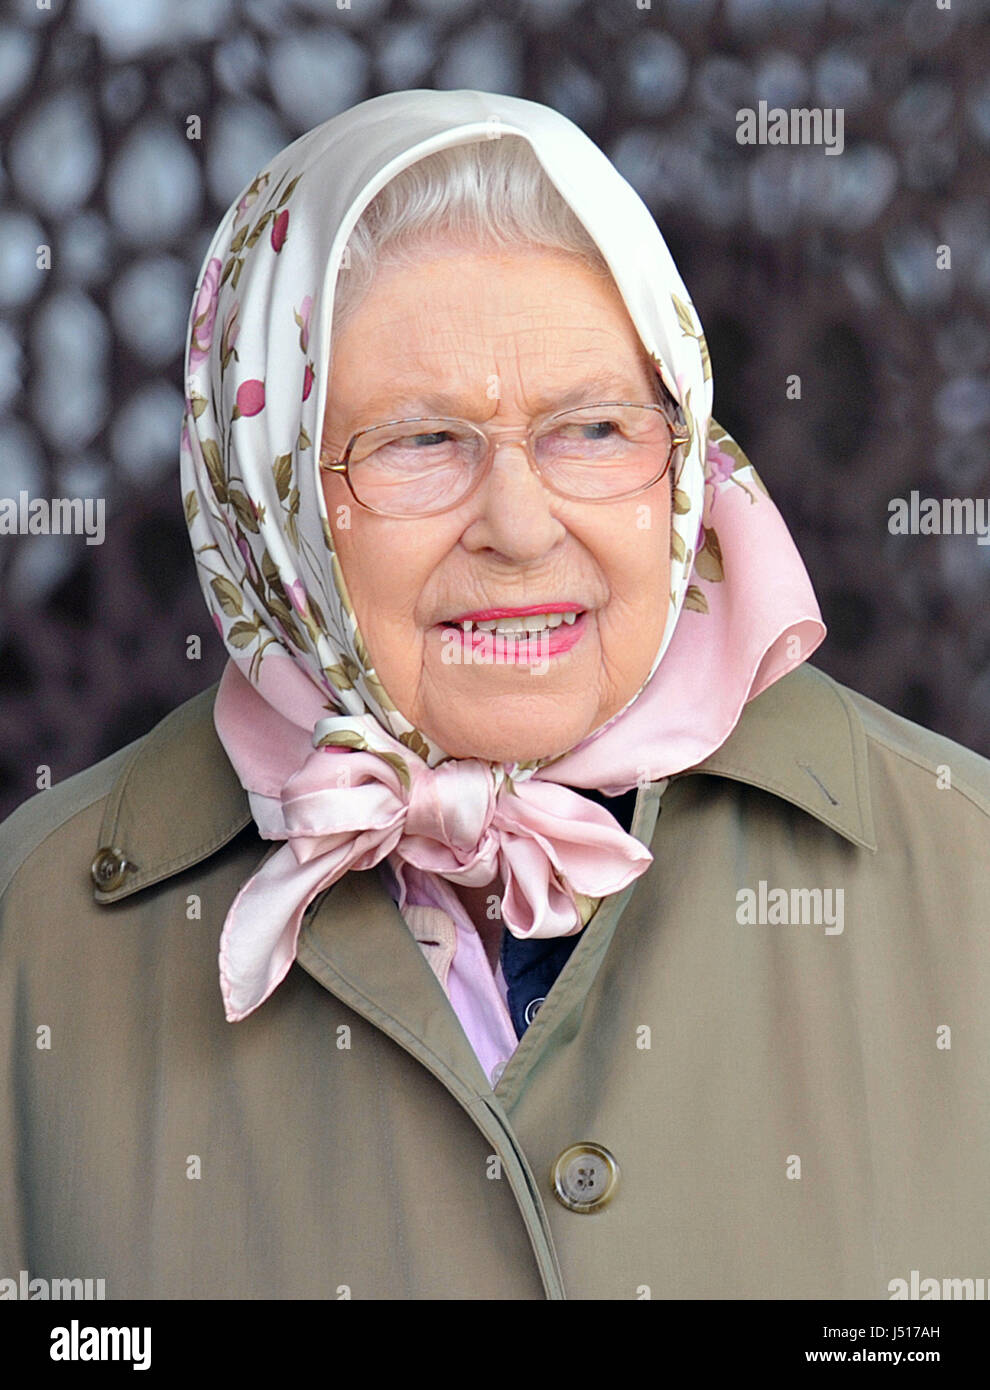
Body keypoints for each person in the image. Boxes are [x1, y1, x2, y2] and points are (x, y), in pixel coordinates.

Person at [1, 89, 988, 1302]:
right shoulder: (28, 940)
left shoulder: (966, 867)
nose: (521, 528)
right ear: (268, 499)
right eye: (422, 443)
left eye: (594, 429)